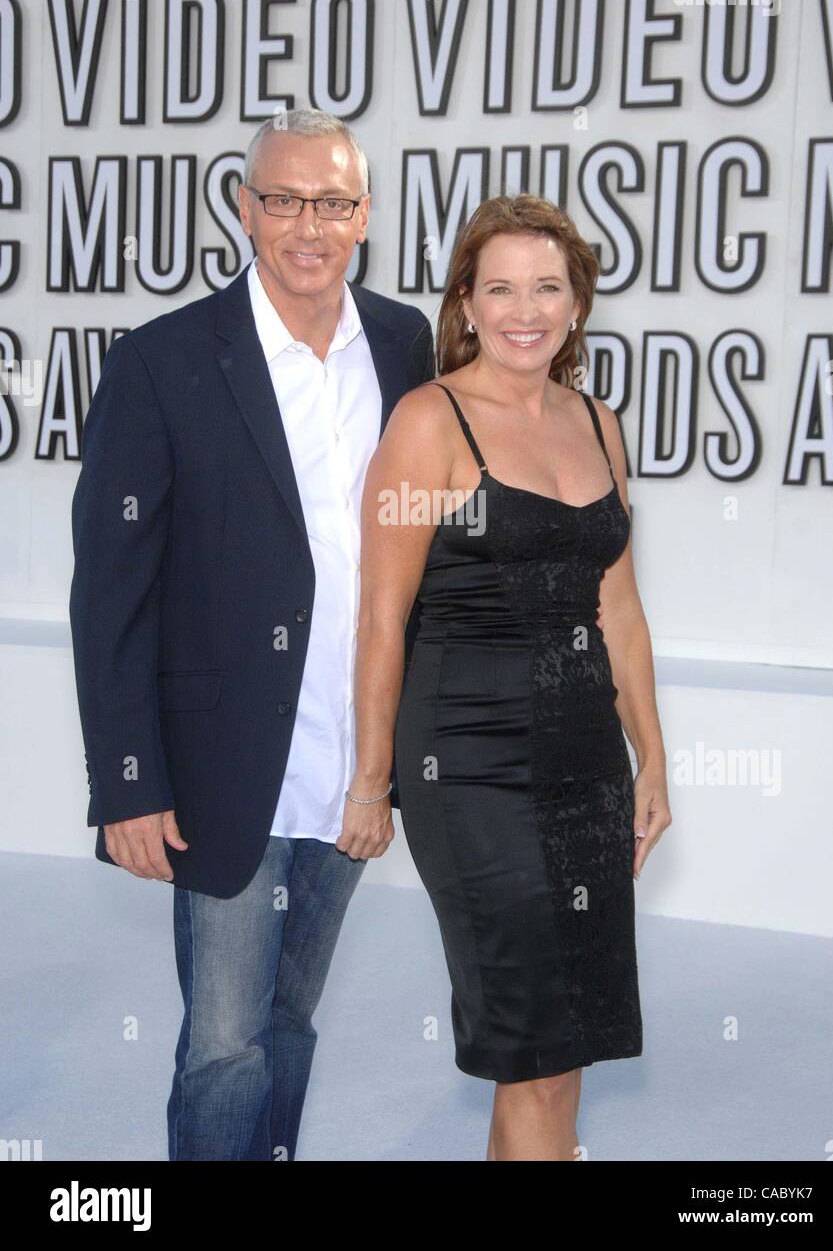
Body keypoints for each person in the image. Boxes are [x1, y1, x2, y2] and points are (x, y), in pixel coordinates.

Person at [68, 108, 434, 1161]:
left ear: (362, 214)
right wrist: (127, 779)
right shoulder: (162, 360)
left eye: (329, 201)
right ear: (244, 208)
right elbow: (112, 591)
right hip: (222, 762)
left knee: (287, 1019)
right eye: (281, 199)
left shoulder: (406, 345)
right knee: (224, 1042)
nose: (305, 225)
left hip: (356, 757)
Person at [352, 193, 671, 1162]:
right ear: (465, 303)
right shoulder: (428, 420)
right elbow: (379, 616)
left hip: (584, 760)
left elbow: (616, 605)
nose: (522, 309)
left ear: (577, 303)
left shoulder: (597, 422)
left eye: (545, 286)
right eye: (498, 288)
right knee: (531, 1041)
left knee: (566, 1040)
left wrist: (649, 760)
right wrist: (372, 783)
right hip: (469, 763)